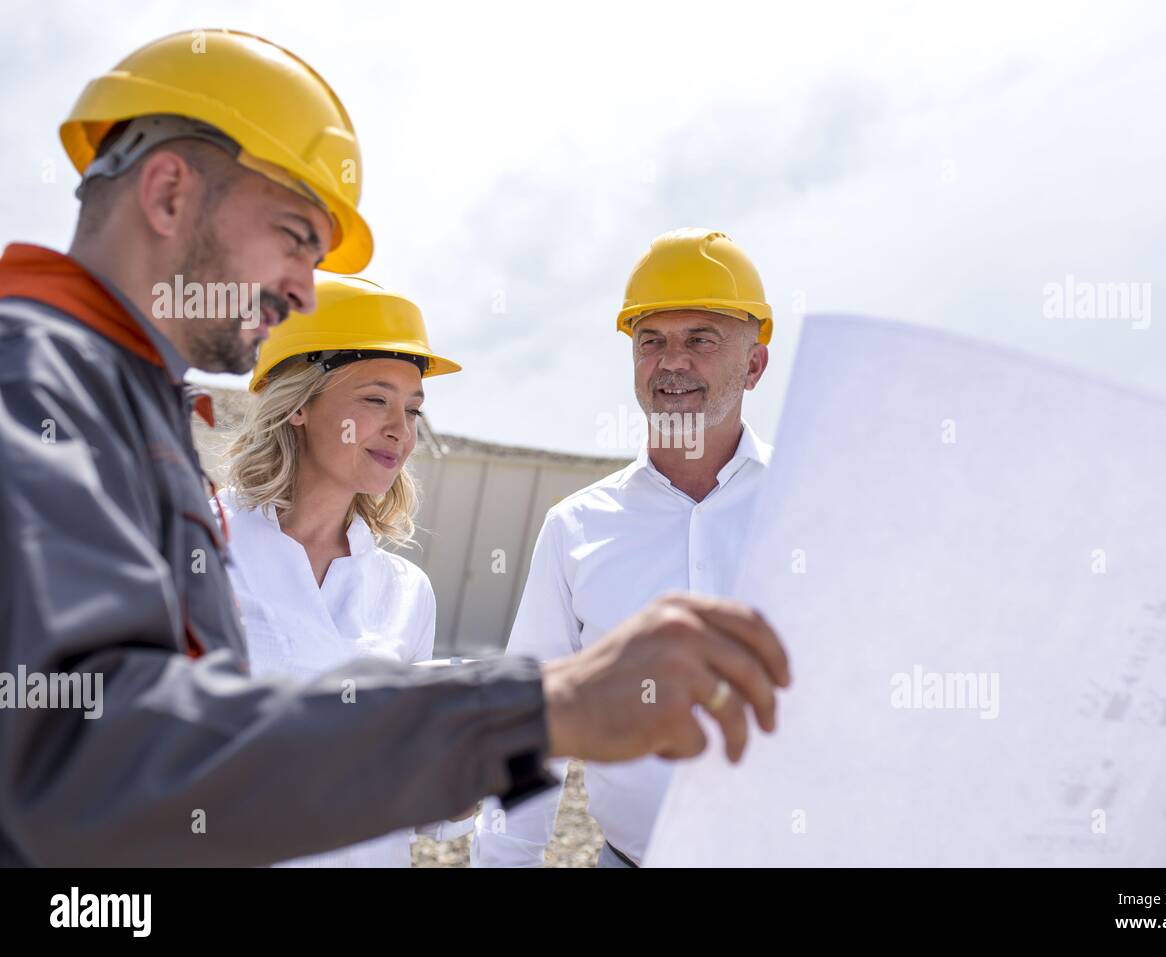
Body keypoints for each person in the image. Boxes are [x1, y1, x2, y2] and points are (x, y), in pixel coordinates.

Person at [0, 32, 789, 867]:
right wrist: (538, 707)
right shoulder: (36, 393)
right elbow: (88, 757)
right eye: (296, 234)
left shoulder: (116, 403)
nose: (306, 287)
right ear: (167, 193)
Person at [473, 228, 774, 867]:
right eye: (652, 341)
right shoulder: (575, 527)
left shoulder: (809, 507)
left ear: (754, 364)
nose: (672, 363)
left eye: (701, 340)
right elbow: (531, 720)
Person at [219, 276, 471, 866]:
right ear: (300, 404)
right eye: (376, 399)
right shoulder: (198, 546)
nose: (400, 431)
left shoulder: (405, 593)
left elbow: (424, 808)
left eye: (412, 410)